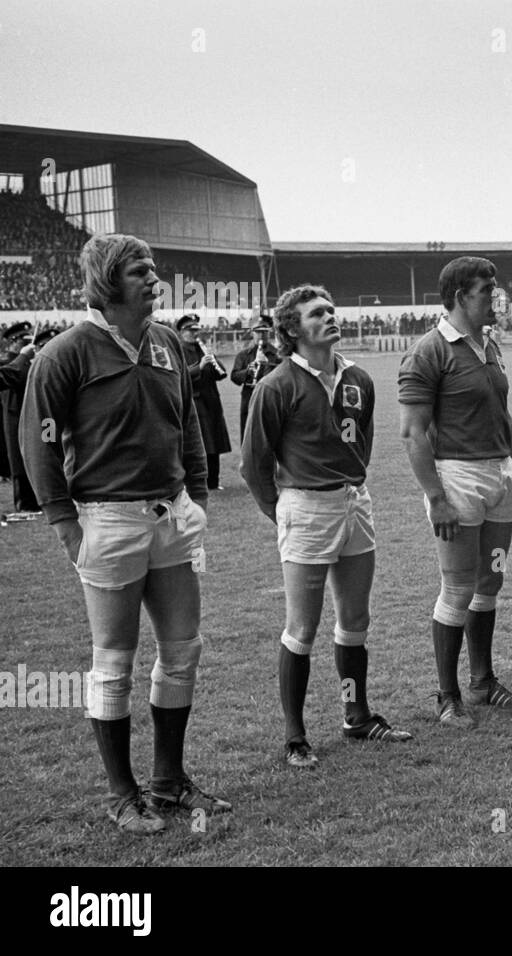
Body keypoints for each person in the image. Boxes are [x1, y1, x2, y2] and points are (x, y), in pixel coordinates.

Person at [20, 233, 228, 833]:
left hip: (171, 515)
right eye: (140, 270)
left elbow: (187, 421)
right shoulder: (65, 353)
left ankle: (168, 781)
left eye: (153, 269)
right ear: (108, 281)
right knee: (113, 661)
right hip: (106, 520)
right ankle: (121, 792)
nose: (153, 280)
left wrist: (199, 494)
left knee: (183, 650)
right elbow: (38, 443)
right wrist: (65, 525)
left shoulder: (164, 342)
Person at [242, 284, 413, 769]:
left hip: (354, 503)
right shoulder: (276, 386)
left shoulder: (358, 377)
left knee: (355, 620)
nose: (330, 317)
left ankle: (355, 715)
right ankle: (295, 737)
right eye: (318, 313)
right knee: (302, 627)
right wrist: (284, 511)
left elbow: (362, 444)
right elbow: (254, 464)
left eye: (332, 310)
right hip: (305, 507)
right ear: (292, 329)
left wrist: (349, 487)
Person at [399, 257, 512, 728]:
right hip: (456, 477)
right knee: (457, 586)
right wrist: (436, 497)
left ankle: (482, 681)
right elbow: (413, 434)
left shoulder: (488, 345)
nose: (495, 298)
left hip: (497, 476)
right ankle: (447, 694)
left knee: (490, 580)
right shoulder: (428, 351)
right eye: (486, 290)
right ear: (460, 296)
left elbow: (503, 416)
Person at [177, 315, 232, 492]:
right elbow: (180, 376)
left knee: (214, 442)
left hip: (211, 402)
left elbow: (221, 373)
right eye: (191, 331)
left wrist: (212, 360)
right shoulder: (178, 350)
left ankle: (214, 482)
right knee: (199, 444)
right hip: (195, 402)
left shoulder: (203, 349)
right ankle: (195, 481)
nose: (195, 334)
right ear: (182, 332)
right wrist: (199, 367)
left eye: (196, 330)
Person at [0, 322, 42, 518]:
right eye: (23, 341)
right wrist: (24, 357)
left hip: (37, 417)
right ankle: (25, 501)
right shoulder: (8, 361)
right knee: (19, 458)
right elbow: (11, 375)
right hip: (15, 417)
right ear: (12, 342)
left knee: (41, 453)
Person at [230, 314, 281, 440]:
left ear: (269, 333)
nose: (261, 335)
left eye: (264, 332)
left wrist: (267, 365)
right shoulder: (243, 355)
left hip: (271, 399)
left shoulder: (278, 355)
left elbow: (283, 378)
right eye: (258, 332)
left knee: (271, 435)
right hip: (249, 397)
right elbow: (234, 377)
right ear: (252, 333)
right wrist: (248, 371)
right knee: (248, 434)